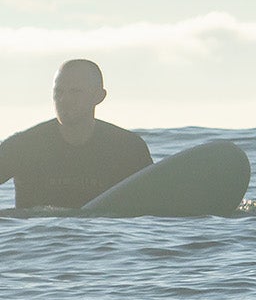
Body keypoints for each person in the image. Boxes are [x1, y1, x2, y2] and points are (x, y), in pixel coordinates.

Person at [0, 60, 153, 210]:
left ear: (99, 96)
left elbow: (156, 206)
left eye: (75, 92)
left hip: (105, 233)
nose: (64, 100)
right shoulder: (22, 146)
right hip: (39, 233)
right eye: (58, 92)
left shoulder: (128, 148)